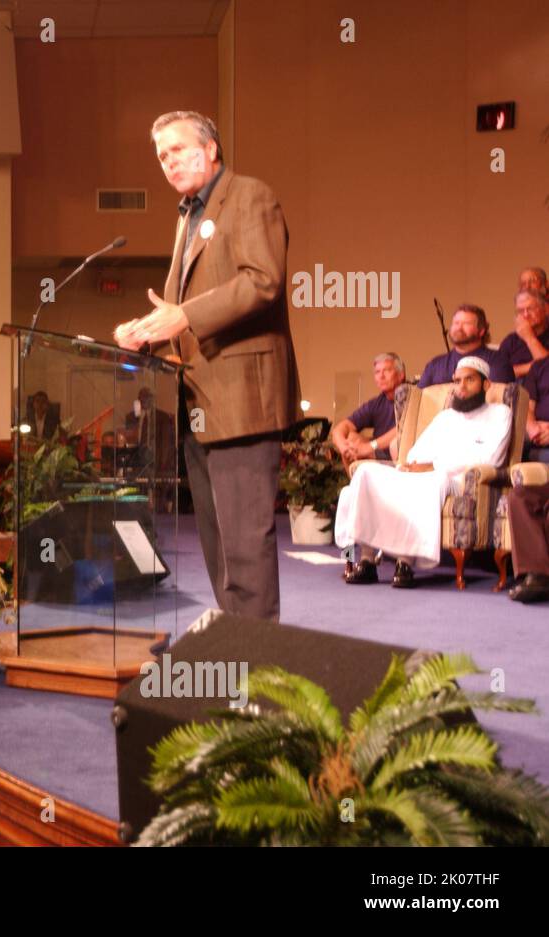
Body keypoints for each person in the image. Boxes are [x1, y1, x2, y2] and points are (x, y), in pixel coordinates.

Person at [114, 109, 300, 621]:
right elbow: (179, 310)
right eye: (161, 156)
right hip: (198, 401)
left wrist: (182, 316)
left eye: (176, 149)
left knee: (245, 545)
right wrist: (145, 333)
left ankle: (258, 677)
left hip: (242, 398)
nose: (167, 162)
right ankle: (238, 656)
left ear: (211, 148)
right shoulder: (187, 216)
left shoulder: (250, 196)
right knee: (219, 548)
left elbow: (262, 280)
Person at [337, 358, 511, 587]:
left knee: (431, 482)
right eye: (457, 381)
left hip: (456, 479)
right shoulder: (446, 417)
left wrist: (434, 465)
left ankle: (405, 563)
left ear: (486, 384)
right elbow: (415, 454)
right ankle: (367, 562)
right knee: (365, 474)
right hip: (422, 473)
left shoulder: (500, 414)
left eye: (469, 380)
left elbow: (491, 459)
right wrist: (413, 466)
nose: (462, 387)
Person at [329, 353, 406, 467]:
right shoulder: (376, 403)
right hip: (380, 452)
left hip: (404, 451)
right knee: (351, 438)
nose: (381, 376)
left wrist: (370, 447)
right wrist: (344, 447)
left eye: (387, 370)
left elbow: (403, 429)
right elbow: (341, 428)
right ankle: (355, 483)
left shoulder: (413, 395)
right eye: (377, 372)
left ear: (401, 375)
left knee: (394, 444)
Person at [418, 304, 514, 388]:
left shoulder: (498, 361)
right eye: (456, 323)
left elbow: (496, 397)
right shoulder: (435, 365)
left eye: (466, 323)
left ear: (481, 331)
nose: (459, 328)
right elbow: (419, 399)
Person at [497, 288, 549, 379]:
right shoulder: (511, 340)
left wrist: (529, 338)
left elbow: (546, 368)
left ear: (545, 309)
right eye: (521, 311)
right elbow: (499, 372)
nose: (526, 315)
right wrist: (530, 367)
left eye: (531, 309)